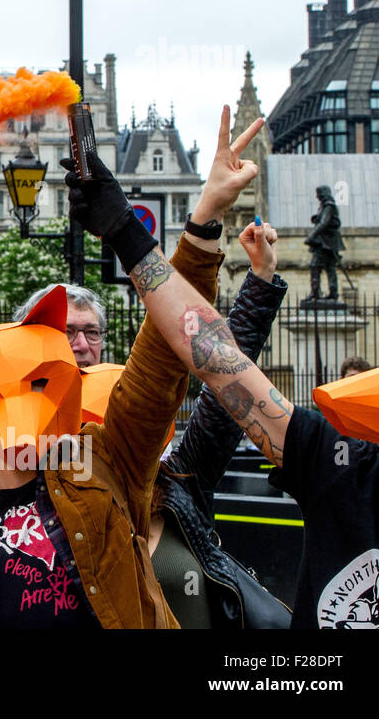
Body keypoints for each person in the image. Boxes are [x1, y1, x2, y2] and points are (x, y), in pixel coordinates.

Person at [0, 105, 263, 628]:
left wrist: (203, 222)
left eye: (35, 379)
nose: (12, 404)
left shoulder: (107, 459)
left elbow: (162, 359)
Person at [69, 122, 379, 628]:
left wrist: (131, 231)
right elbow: (216, 364)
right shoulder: (356, 476)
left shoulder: (176, 490)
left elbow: (212, 365)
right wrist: (135, 230)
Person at [146, 218, 293, 628]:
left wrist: (261, 279)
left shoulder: (174, 484)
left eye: (91, 332)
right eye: (67, 332)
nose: (82, 345)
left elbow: (227, 390)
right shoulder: (19, 492)